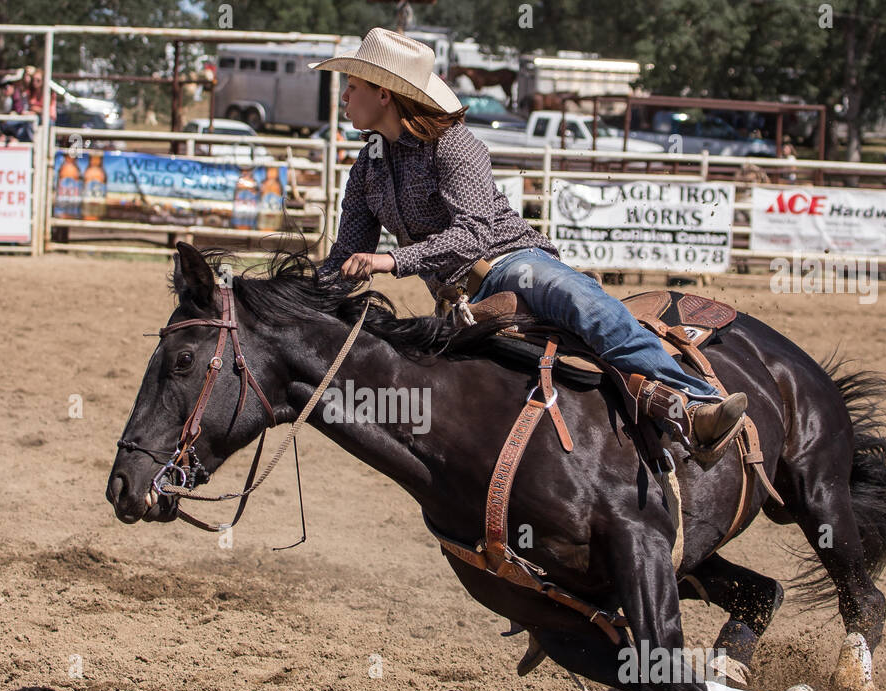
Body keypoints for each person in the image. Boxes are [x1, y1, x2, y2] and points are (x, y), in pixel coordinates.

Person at [311, 28, 748, 458]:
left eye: (352, 87)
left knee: (582, 302)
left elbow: (473, 234)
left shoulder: (452, 145)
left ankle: (694, 404)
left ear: (384, 93)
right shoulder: (367, 167)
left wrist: (392, 259)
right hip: (455, 300)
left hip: (510, 262)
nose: (344, 98)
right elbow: (344, 259)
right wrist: (296, 300)